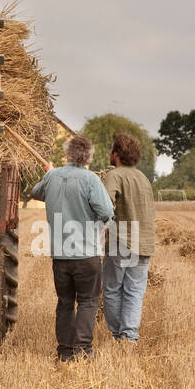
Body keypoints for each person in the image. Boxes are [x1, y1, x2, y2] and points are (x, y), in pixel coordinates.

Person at [29, 135, 114, 362]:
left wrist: (50, 173)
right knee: (88, 301)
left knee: (65, 302)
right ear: (88, 157)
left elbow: (36, 193)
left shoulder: (52, 177)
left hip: (60, 255)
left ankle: (65, 351)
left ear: (67, 154)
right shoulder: (91, 180)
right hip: (86, 254)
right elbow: (106, 212)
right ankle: (83, 351)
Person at [101, 133, 155, 344]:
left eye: (111, 149)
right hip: (145, 242)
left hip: (122, 241)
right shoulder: (143, 178)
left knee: (112, 288)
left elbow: (106, 206)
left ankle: (117, 336)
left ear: (116, 153)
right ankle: (130, 337)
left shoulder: (115, 175)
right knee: (135, 291)